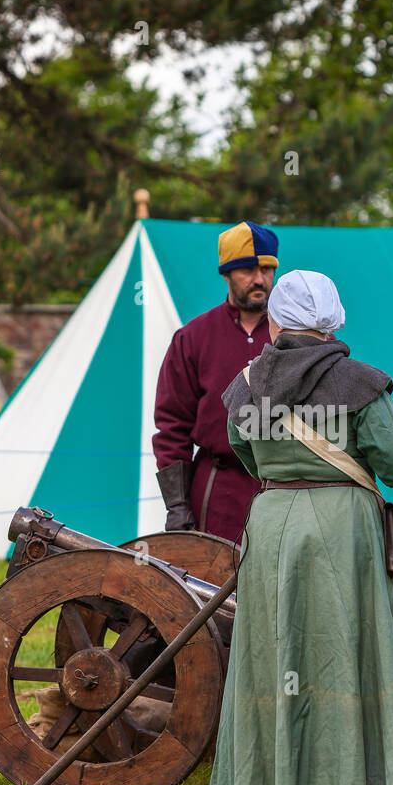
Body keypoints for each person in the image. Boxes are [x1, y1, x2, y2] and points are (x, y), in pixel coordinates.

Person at [206, 269, 393, 785]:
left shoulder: (245, 385)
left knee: (275, 653)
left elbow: (245, 453)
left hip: (271, 524)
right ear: (334, 320)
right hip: (343, 530)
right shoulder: (359, 382)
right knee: (350, 652)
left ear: (278, 320)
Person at [153, 221, 279, 543]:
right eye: (247, 270)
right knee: (209, 588)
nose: (259, 279)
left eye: (266, 269)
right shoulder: (194, 338)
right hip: (217, 488)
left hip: (283, 483)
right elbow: (172, 425)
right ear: (226, 273)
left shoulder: (296, 335)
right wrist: (177, 506)